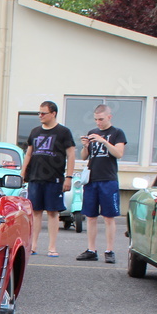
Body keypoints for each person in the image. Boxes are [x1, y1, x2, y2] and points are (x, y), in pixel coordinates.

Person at [21, 100, 75, 257]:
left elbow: (71, 155)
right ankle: (33, 245)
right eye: (39, 113)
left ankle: (52, 247)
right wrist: (23, 172)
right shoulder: (35, 131)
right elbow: (29, 153)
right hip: (36, 178)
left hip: (54, 178)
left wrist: (69, 177)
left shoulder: (63, 132)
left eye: (43, 113)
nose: (40, 116)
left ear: (53, 114)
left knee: (52, 212)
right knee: (36, 211)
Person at [76, 105, 127, 263]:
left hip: (108, 179)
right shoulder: (93, 132)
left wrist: (103, 141)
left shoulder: (117, 133)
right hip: (92, 179)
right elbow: (84, 156)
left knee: (109, 217)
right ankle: (92, 249)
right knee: (90, 216)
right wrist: (86, 145)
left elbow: (118, 153)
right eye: (96, 119)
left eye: (101, 119)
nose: (98, 122)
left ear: (109, 117)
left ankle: (109, 250)